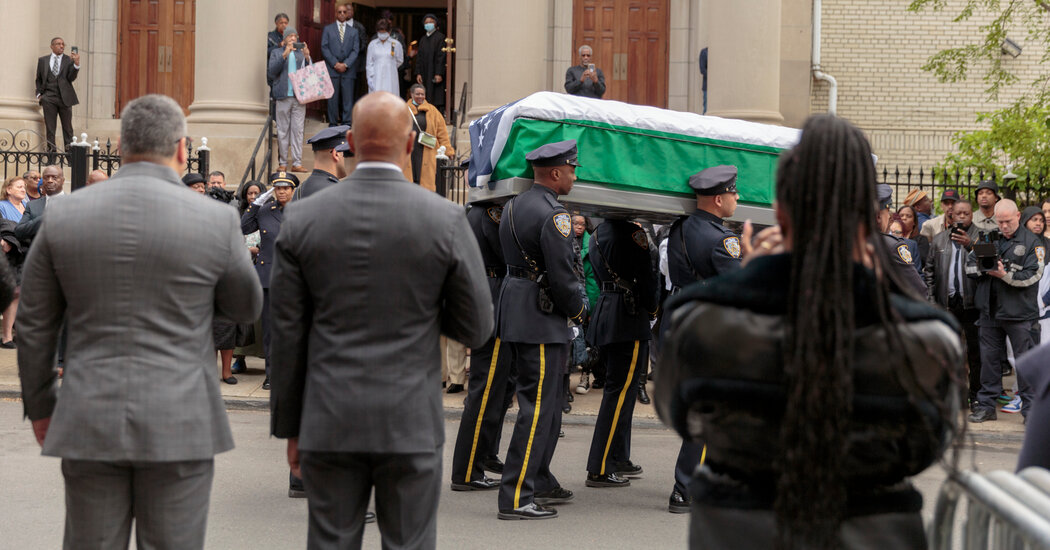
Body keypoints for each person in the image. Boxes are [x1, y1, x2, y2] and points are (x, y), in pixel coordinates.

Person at [655, 114, 963, 549]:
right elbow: (926, 446)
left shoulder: (703, 323)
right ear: (873, 216)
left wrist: (752, 276)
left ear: (780, 212)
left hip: (736, 532)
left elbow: (679, 414)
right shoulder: (927, 339)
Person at [17, 94, 262, 549]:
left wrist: (42, 404)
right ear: (182, 149)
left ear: (119, 146)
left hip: (89, 413)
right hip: (182, 416)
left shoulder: (65, 214)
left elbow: (34, 324)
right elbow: (247, 306)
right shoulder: (216, 219)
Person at [269, 91, 492, 548]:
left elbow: (287, 334)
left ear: (350, 141)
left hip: (330, 419)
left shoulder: (304, 217)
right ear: (411, 144)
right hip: (408, 419)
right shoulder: (445, 218)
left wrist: (290, 429)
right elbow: (477, 327)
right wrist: (427, 310)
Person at [495, 139, 587, 520]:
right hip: (540, 317)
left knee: (543, 406)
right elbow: (564, 275)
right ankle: (517, 495)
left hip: (517, 310)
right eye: (571, 169)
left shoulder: (514, 205)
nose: (574, 175)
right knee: (536, 408)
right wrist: (580, 309)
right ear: (555, 172)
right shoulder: (555, 215)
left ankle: (539, 478)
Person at [663, 164, 754, 514]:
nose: (737, 198)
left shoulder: (680, 228)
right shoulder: (723, 240)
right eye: (733, 193)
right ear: (719, 199)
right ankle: (686, 488)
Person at [584, 219, 659, 488]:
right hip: (627, 316)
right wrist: (652, 309)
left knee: (621, 392)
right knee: (619, 393)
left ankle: (618, 456)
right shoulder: (632, 232)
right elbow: (647, 275)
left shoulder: (596, 234)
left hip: (607, 310)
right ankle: (600, 466)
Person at [450, 200, 512, 492]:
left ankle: (484, 454)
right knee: (485, 388)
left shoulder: (472, 210)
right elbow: (506, 253)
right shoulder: (490, 213)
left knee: (495, 387)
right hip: (493, 296)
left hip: (483, 294)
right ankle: (466, 471)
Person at [966, 199, 1044, 423]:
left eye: (1008, 221)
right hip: (990, 313)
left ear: (1018, 216)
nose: (1004, 226)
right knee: (989, 363)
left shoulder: (1032, 243)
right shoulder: (989, 237)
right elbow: (969, 266)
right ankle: (987, 407)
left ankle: (1031, 412)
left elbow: (1033, 276)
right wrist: (985, 269)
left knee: (1025, 363)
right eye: (1000, 222)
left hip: (1020, 315)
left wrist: (1004, 275)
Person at [925, 200, 982, 409]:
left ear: (971, 215)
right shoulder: (939, 240)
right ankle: (951, 395)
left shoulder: (980, 237)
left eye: (965, 214)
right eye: (957, 214)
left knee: (975, 354)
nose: (961, 217)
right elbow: (929, 271)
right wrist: (931, 300)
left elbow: (987, 265)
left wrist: (969, 244)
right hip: (947, 305)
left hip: (973, 305)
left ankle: (975, 395)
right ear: (951, 216)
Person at [232, 180, 267, 375]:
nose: (253, 197)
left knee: (261, 318)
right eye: (249, 194)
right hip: (243, 269)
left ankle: (264, 356)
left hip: (262, 268)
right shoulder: (240, 215)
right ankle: (240, 357)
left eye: (256, 193)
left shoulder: (269, 213)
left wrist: (257, 250)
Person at [268, 29, 311, 173]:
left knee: (298, 131)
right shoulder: (276, 52)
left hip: (299, 97)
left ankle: (297, 163)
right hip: (282, 96)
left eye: (295, 36)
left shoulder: (301, 53)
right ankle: (283, 163)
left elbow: (311, 74)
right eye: (290, 36)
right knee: (282, 131)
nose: (293, 38)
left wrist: (307, 56)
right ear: (285, 38)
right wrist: (284, 54)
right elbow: (272, 72)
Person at [401, 84, 454, 192]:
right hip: (409, 149)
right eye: (417, 94)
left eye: (422, 94)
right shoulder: (402, 110)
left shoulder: (433, 111)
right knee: (410, 178)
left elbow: (442, 133)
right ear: (411, 95)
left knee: (424, 180)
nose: (420, 96)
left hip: (426, 149)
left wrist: (448, 150)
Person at [876, 185, 927, 296]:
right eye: (887, 210)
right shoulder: (892, 246)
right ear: (879, 216)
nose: (889, 216)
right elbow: (918, 290)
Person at [35, 37, 81, 153]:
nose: (61, 46)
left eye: (63, 44)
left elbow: (71, 78)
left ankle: (70, 158)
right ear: (52, 46)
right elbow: (39, 79)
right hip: (48, 98)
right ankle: (51, 157)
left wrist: (76, 65)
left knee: (68, 130)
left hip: (65, 98)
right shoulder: (43, 60)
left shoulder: (69, 60)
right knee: (50, 129)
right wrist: (39, 95)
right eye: (58, 44)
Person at [322, 3, 361, 126]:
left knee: (347, 100)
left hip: (348, 71)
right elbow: (324, 47)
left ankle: (346, 124)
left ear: (348, 13)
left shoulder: (354, 32)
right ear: (335, 13)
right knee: (332, 99)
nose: (342, 14)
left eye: (345, 12)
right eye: (340, 12)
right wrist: (335, 63)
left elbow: (356, 50)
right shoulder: (328, 29)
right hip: (333, 69)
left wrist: (346, 64)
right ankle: (333, 124)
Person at [0, 176, 27, 349]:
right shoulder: (2, 206)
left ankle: (14, 334)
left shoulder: (26, 206)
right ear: (8, 189)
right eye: (19, 187)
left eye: (24, 187)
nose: (23, 189)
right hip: (6, 256)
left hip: (22, 255)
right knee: (10, 293)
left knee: (19, 294)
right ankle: (6, 337)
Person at [15, 165, 65, 250]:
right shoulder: (32, 205)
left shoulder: (74, 203)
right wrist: (44, 218)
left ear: (63, 181)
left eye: (54, 177)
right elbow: (19, 232)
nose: (49, 180)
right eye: (46, 177)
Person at [295, 126, 349, 200]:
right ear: (336, 154)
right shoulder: (339, 192)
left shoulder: (301, 190)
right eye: (347, 152)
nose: (350, 157)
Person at [415, 14, 447, 113]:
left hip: (434, 72)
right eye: (426, 23)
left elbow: (441, 57)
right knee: (426, 94)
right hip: (425, 72)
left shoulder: (440, 37)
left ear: (435, 23)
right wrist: (418, 73)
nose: (428, 24)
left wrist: (439, 73)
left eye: (431, 22)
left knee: (436, 96)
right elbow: (419, 57)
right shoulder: (423, 40)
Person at [366, 19, 403, 95]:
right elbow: (369, 63)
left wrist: (390, 66)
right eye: (380, 32)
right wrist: (370, 77)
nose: (382, 34)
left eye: (384, 32)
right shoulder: (372, 44)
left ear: (389, 32)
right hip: (376, 76)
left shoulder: (396, 44)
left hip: (391, 76)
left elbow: (400, 60)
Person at [267, 13, 290, 86]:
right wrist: (278, 45)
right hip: (275, 73)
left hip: (288, 71)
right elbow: (267, 52)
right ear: (276, 24)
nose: (284, 25)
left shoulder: (291, 36)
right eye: (281, 23)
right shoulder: (271, 36)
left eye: (286, 23)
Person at [699, 47, 708, 114]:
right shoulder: (704, 52)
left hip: (719, 87)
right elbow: (702, 69)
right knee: (706, 109)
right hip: (707, 86)